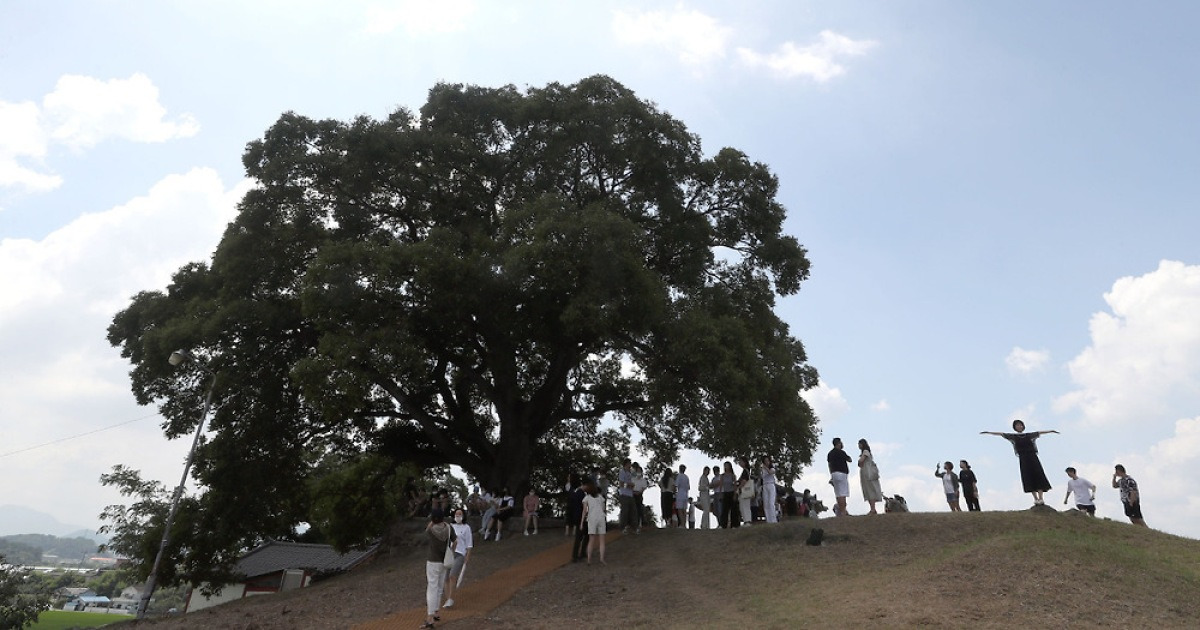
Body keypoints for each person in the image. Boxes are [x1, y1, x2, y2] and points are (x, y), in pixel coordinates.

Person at [981, 420, 1059, 505]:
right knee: (1027, 477)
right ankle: (1036, 499)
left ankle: (1041, 498)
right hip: (1023, 458)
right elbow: (1001, 434)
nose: (1019, 427)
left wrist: (1051, 431)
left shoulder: (1029, 435)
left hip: (1033, 457)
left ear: (1023, 426)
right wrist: (988, 432)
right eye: (1017, 425)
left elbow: (1040, 432)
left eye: (1020, 425)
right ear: (1015, 428)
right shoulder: (1013, 437)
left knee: (1039, 475)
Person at [423, 509, 456, 629]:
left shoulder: (431, 530)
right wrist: (451, 551)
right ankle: (436, 611)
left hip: (432, 561)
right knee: (439, 587)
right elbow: (455, 541)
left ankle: (430, 617)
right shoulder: (448, 528)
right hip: (444, 561)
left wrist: (432, 522)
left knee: (431, 588)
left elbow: (427, 528)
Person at [442, 507, 473, 609]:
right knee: (445, 577)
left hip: (460, 554)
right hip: (449, 553)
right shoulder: (450, 526)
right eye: (456, 515)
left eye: (460, 515)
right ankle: (448, 599)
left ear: (463, 516)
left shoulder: (466, 528)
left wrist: (467, 557)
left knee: (452, 575)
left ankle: (451, 598)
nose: (458, 516)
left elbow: (469, 544)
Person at [581, 481, 607, 564]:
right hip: (601, 518)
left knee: (591, 540)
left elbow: (584, 510)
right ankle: (602, 559)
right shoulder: (600, 497)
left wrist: (581, 522)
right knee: (602, 540)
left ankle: (589, 559)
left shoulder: (587, 498)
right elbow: (603, 509)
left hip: (592, 518)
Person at [857, 439, 883, 515]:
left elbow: (861, 461)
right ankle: (872, 508)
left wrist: (859, 462)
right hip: (866, 473)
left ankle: (873, 509)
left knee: (870, 490)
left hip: (867, 474)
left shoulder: (865, 452)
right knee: (869, 490)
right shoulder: (866, 452)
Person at [828, 438, 852, 516]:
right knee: (843, 493)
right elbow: (850, 459)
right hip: (842, 473)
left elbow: (829, 465)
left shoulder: (830, 453)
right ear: (838, 443)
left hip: (834, 473)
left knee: (838, 494)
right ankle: (843, 512)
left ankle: (841, 511)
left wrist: (831, 474)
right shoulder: (841, 452)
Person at [569, 478, 591, 562]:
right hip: (580, 517)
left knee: (585, 535)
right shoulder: (580, 494)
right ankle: (575, 556)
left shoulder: (580, 493)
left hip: (581, 517)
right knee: (579, 537)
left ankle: (581, 553)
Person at [617, 458, 635, 534]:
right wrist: (628, 485)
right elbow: (621, 484)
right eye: (629, 463)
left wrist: (631, 486)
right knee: (624, 511)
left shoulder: (630, 473)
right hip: (624, 494)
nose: (630, 465)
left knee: (633, 511)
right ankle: (622, 528)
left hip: (630, 494)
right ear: (626, 464)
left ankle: (633, 527)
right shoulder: (622, 472)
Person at [719, 461, 738, 527]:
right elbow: (721, 485)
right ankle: (723, 524)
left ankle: (734, 524)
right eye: (724, 466)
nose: (725, 467)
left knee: (733, 510)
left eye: (726, 465)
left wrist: (735, 494)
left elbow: (735, 485)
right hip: (725, 493)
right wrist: (721, 493)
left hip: (731, 492)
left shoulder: (733, 475)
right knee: (724, 510)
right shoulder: (722, 475)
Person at [760, 456, 779, 523]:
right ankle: (768, 520)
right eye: (765, 461)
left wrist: (766, 468)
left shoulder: (772, 468)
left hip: (771, 485)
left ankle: (773, 520)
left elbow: (771, 472)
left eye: (767, 461)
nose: (766, 462)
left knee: (771, 503)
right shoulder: (762, 470)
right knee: (766, 504)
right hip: (765, 486)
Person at [737, 457, 755, 524]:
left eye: (740, 462)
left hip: (745, 490)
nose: (739, 463)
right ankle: (746, 520)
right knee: (744, 506)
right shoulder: (746, 470)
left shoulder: (746, 471)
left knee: (744, 506)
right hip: (745, 490)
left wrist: (739, 488)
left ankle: (747, 521)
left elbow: (744, 480)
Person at [631, 462, 648, 533]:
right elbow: (630, 486)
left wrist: (639, 492)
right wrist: (633, 492)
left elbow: (643, 488)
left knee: (639, 510)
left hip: (639, 495)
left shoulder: (643, 480)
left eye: (639, 471)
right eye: (637, 471)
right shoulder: (633, 479)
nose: (638, 473)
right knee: (633, 510)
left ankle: (639, 524)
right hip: (633, 494)